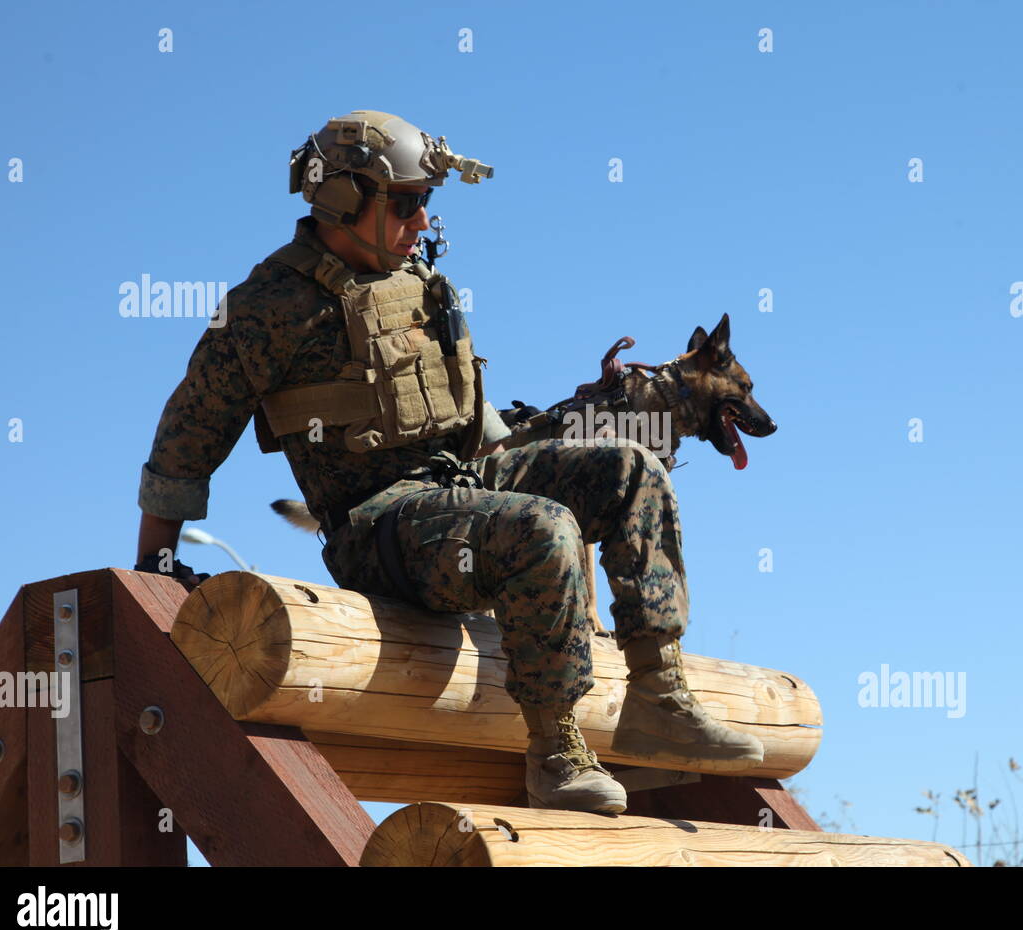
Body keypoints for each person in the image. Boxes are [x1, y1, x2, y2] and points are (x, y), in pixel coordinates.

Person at [134, 110, 764, 815]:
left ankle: (657, 693)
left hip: (458, 490)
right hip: (377, 527)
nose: (423, 219)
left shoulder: (428, 287)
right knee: (544, 527)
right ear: (343, 200)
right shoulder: (266, 308)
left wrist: (548, 461)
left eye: (426, 202)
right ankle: (556, 749)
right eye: (404, 203)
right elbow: (187, 437)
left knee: (630, 468)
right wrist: (156, 571)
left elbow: (485, 434)